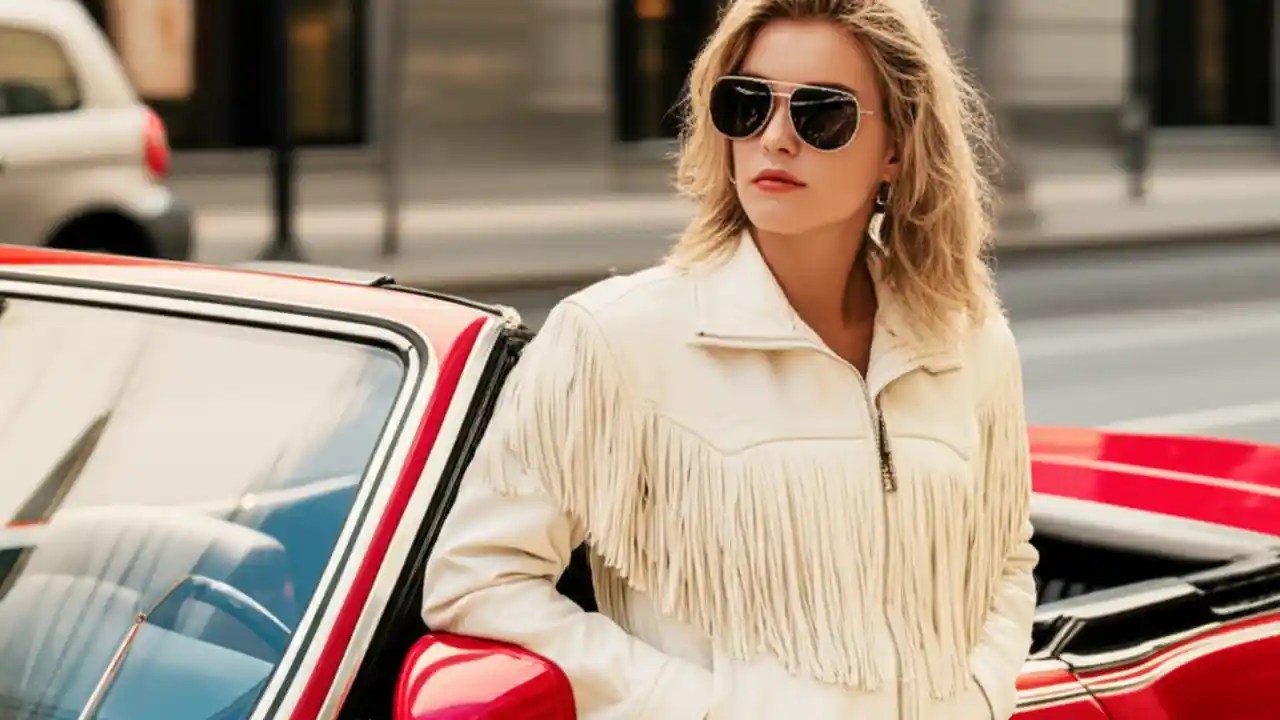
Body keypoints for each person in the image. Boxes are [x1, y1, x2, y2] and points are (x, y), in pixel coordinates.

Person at [421, 0, 1037, 718]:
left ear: (897, 148)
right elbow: (479, 582)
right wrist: (702, 707)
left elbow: (1005, 561)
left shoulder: (969, 341)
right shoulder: (614, 338)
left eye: (822, 114)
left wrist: (980, 698)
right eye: (746, 105)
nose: (775, 137)